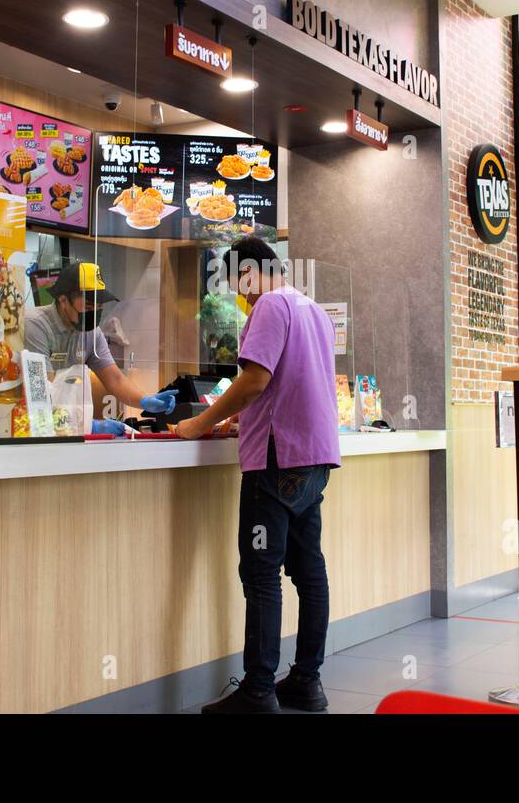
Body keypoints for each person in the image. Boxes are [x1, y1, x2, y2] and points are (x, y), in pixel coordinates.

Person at [177, 237, 340, 713]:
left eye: (237, 284)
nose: (239, 297)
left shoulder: (270, 304)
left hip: (276, 461)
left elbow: (255, 380)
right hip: (313, 459)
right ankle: (307, 682)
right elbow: (286, 384)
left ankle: (258, 689)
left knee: (262, 574)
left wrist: (199, 423)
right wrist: (238, 419)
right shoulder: (313, 309)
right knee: (309, 571)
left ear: (251, 272)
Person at [23, 262, 175, 432]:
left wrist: (144, 401)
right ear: (63, 300)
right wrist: (89, 425)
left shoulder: (91, 332)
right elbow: (43, 392)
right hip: (31, 427)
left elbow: (115, 380)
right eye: (88, 306)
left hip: (66, 428)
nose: (94, 311)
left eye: (99, 306)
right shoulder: (36, 325)